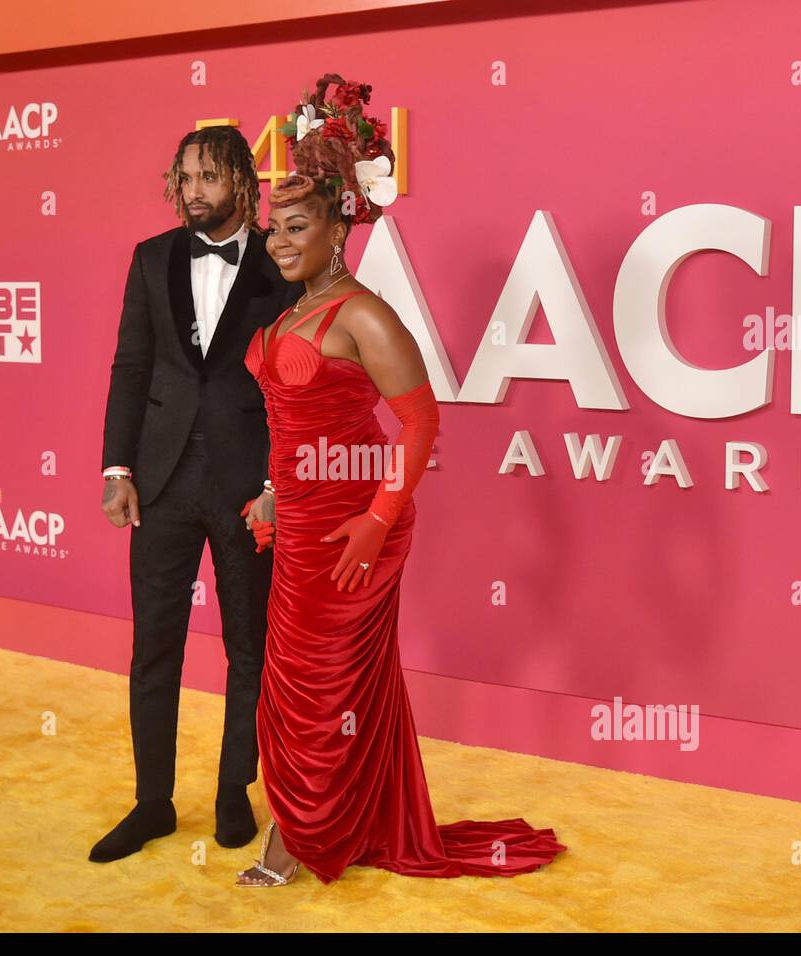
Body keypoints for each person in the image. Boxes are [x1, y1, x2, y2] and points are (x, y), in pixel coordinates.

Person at [236, 74, 568, 886]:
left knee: (318, 687)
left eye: (298, 226)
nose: (279, 241)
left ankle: (299, 835)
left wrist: (379, 521)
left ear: (339, 228)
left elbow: (421, 424)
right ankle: (357, 816)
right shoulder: (287, 316)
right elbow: (301, 426)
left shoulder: (364, 314)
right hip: (305, 524)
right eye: (273, 228)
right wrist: (278, 493)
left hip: (355, 531)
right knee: (300, 684)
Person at [92, 125, 304, 863]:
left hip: (248, 487)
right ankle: (153, 802)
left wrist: (280, 482)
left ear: (243, 183)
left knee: (250, 649)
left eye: (208, 178)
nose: (193, 193)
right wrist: (117, 469)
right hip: (161, 484)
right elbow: (130, 365)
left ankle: (230, 792)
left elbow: (296, 385)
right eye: (185, 179)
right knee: (155, 649)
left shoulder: (284, 263)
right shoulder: (151, 259)